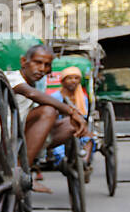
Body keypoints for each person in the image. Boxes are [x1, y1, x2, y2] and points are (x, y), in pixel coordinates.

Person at [6, 45, 88, 193]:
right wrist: (71, 111)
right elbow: (31, 94)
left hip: (20, 134)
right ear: (24, 61)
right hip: (1, 136)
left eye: (47, 65)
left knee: (73, 125)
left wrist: (78, 119)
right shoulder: (11, 77)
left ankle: (29, 161)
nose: (42, 69)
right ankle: (23, 173)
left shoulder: (39, 84)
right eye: (37, 62)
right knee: (48, 111)